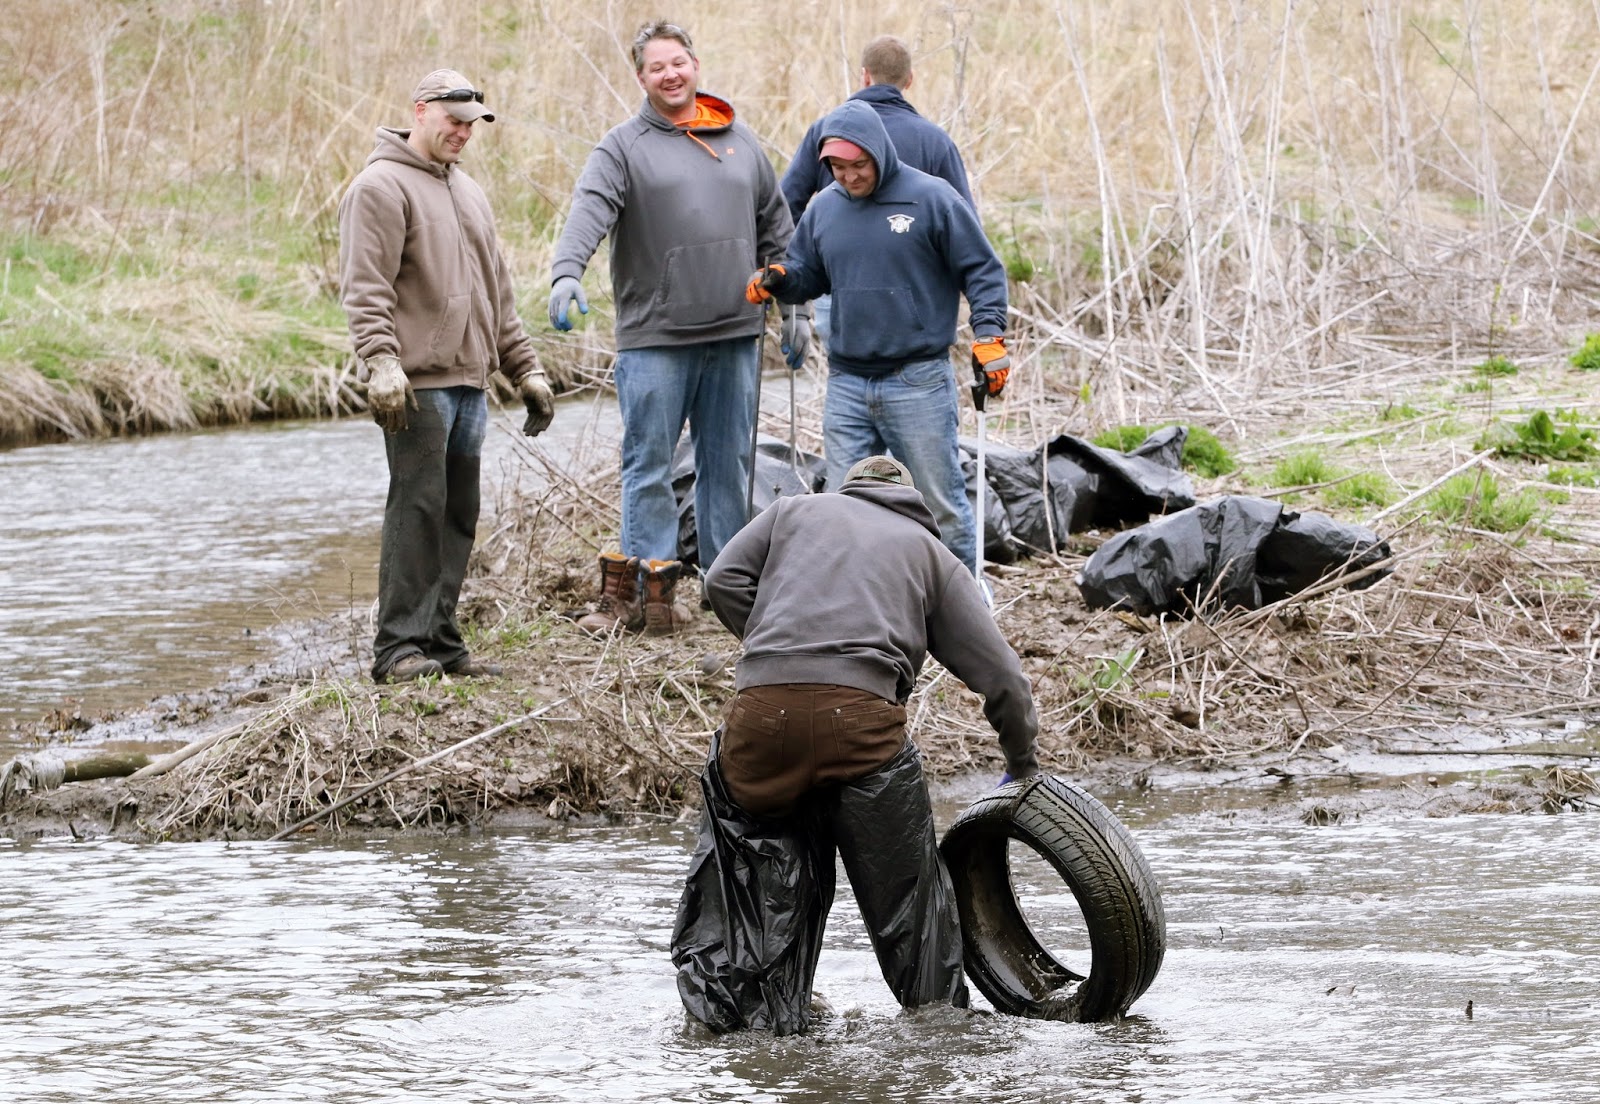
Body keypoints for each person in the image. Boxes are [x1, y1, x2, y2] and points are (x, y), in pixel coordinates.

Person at [670, 455, 1040, 1035]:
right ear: (911, 500)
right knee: (910, 902)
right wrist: (1022, 766)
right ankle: (936, 1030)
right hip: (862, 729)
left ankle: (744, 1029)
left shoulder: (791, 511)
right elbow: (1006, 682)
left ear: (848, 488)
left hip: (759, 723)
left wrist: (776, 651)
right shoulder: (930, 554)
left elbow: (719, 580)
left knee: (755, 883)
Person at [547, 21, 798, 636]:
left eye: (679, 62)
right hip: (656, 338)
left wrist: (796, 307)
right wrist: (565, 273)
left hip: (736, 333)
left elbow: (779, 229)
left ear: (696, 64)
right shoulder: (623, 146)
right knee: (649, 463)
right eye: (657, 67)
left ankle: (726, 584)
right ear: (641, 78)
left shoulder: (742, 143)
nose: (671, 74)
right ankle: (650, 593)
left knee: (727, 463)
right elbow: (589, 211)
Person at [338, 69, 555, 683]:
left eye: (471, 123)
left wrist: (525, 367)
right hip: (416, 384)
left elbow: (499, 296)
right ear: (421, 111)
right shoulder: (378, 188)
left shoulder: (470, 192)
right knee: (418, 505)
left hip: (471, 380)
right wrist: (380, 361)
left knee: (459, 509)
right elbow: (365, 288)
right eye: (453, 120)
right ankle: (397, 649)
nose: (462, 132)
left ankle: (440, 640)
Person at [746, 101, 1012, 573]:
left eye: (858, 165)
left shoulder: (932, 198)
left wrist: (988, 334)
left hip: (917, 381)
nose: (848, 177)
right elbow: (811, 274)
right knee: (846, 507)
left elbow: (983, 270)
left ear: (880, 154)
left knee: (940, 505)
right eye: (838, 167)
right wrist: (781, 280)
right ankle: (861, 612)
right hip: (847, 383)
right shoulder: (824, 208)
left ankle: (964, 611)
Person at [779, 34, 975, 346]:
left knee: (847, 377)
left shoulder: (825, 132)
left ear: (864, 76)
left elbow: (785, 208)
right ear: (909, 80)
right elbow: (966, 230)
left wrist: (794, 305)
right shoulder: (935, 141)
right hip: (917, 304)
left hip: (840, 292)